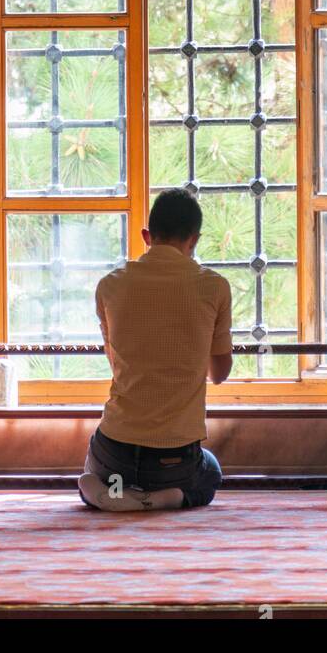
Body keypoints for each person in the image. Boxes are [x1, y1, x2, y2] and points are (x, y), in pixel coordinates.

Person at [78, 187, 232, 513]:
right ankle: (163, 498)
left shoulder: (109, 285)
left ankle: (105, 489)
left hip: (114, 453)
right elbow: (219, 374)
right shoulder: (214, 286)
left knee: (97, 472)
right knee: (210, 473)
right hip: (172, 464)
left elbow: (118, 362)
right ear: (194, 239)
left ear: (147, 235)